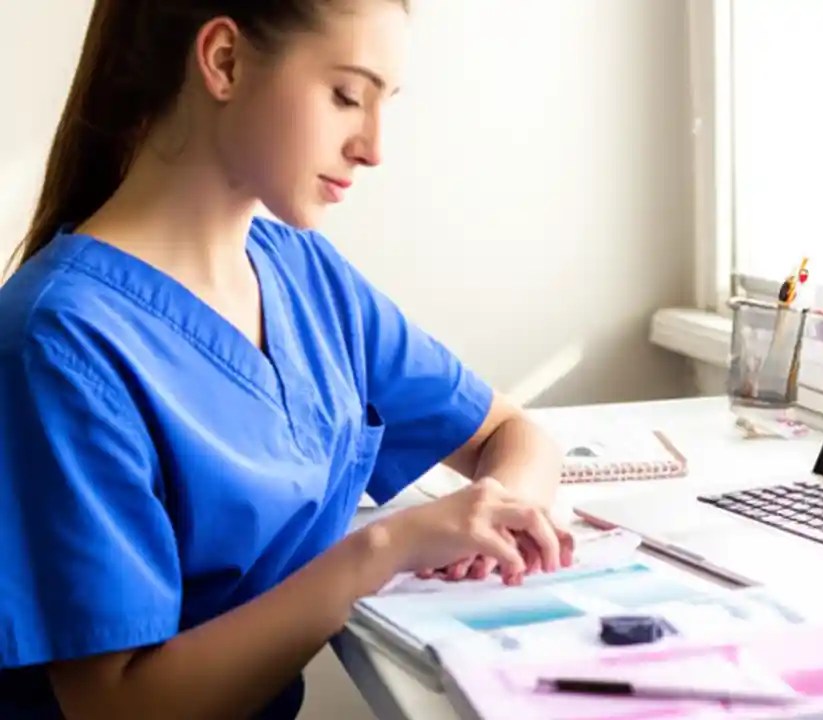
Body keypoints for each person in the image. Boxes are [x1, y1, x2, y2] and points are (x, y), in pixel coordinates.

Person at [0, 1, 573, 718]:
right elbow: (117, 706)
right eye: (345, 97)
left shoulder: (310, 279)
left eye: (384, 104)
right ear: (225, 61)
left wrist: (501, 515)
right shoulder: (61, 343)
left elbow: (510, 434)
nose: (373, 147)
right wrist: (382, 551)